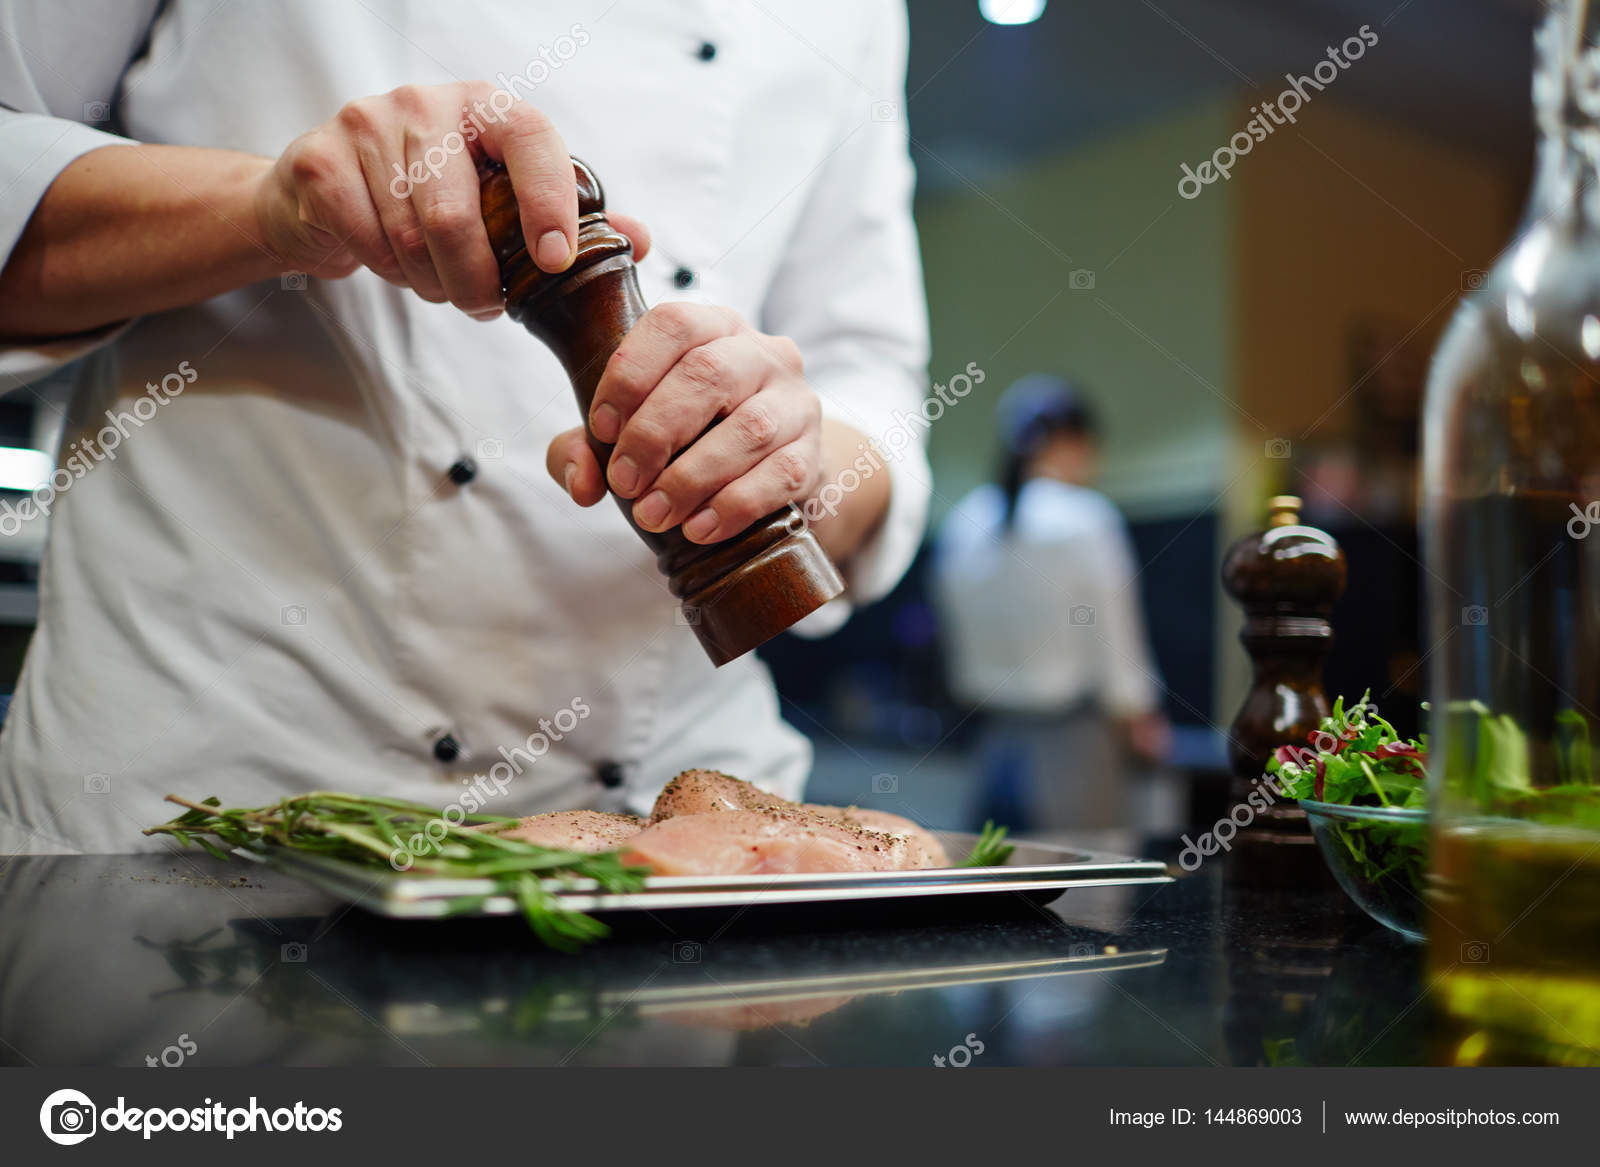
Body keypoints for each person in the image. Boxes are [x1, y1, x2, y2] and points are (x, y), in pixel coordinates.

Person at [0, 1, 929, 853]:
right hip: (219, 789)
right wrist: (269, 211)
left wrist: (784, 462)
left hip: (675, 824)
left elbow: (871, 379)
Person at [933, 375, 1169, 830]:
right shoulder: (1086, 518)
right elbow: (1115, 636)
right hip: (1074, 748)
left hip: (991, 746)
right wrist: (1139, 716)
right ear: (1074, 442)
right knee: (1084, 894)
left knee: (992, 886)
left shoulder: (963, 523)